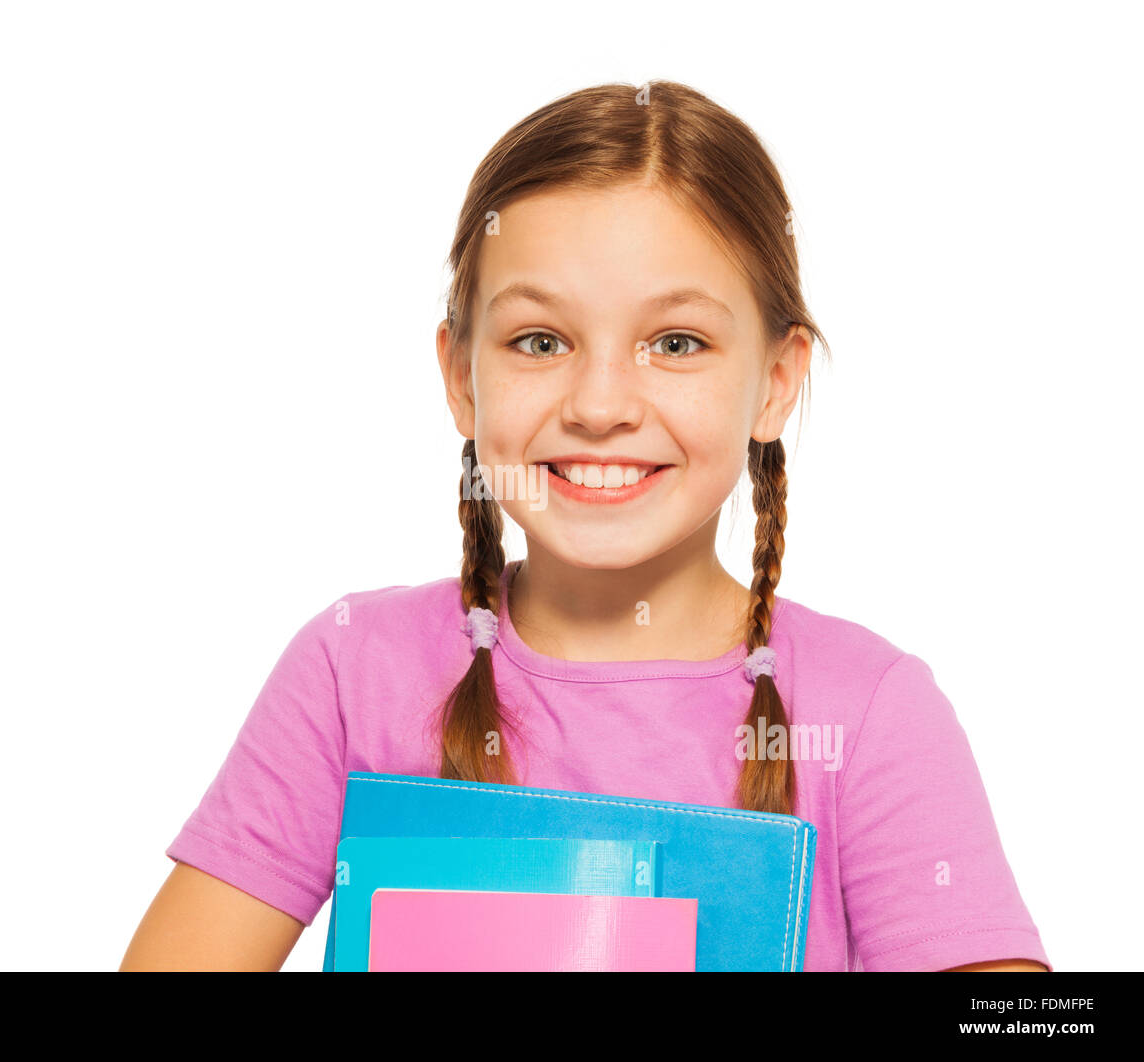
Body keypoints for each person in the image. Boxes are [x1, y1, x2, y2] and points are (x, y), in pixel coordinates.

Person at [120, 79, 1049, 972]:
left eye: (676, 343)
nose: (601, 405)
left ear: (774, 380)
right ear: (459, 375)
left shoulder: (869, 713)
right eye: (540, 341)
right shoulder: (351, 671)